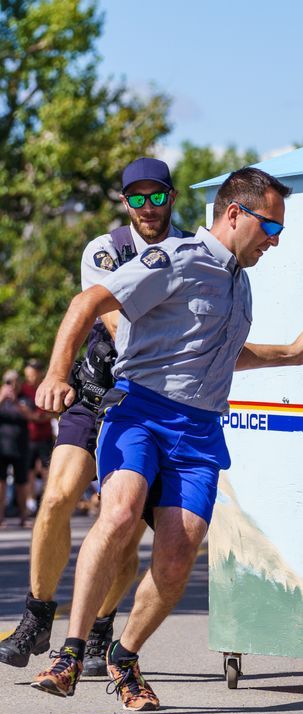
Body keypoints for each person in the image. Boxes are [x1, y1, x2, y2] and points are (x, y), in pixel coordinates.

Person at [29, 167, 303, 711]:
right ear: (234, 214)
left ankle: (123, 657)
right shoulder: (175, 259)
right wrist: (54, 374)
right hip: (139, 410)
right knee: (118, 515)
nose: (275, 239)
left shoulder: (240, 280)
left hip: (200, 429)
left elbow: (226, 354)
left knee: (179, 551)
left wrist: (291, 353)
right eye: (269, 226)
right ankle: (69, 651)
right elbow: (86, 303)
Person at [0, 158, 191, 676]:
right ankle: (38, 613)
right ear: (125, 202)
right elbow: (112, 316)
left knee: (122, 525)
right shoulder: (106, 250)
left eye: (157, 197)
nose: (147, 207)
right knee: (59, 494)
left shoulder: (193, 251)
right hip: (97, 390)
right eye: (138, 198)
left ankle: (102, 622)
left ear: (171, 198)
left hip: (151, 403)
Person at [0, 369, 33, 526]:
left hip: (20, 447)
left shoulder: (24, 400)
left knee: (22, 483)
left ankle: (24, 517)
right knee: (1, 483)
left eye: (14, 382)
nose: (12, 386)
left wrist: (14, 402)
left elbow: (32, 416)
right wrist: (2, 398)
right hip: (2, 447)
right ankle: (0, 518)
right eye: (8, 382)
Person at [21, 359, 54, 505]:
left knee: (47, 469)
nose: (30, 379)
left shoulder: (47, 387)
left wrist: (38, 416)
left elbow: (50, 413)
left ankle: (46, 499)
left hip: (45, 436)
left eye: (33, 375)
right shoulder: (23, 390)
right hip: (28, 437)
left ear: (40, 374)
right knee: (29, 471)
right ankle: (30, 501)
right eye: (28, 375)